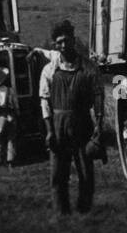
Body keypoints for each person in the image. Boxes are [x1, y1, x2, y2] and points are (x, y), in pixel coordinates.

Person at [39, 22, 103, 215]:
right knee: (58, 173)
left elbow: (99, 96)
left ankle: (84, 210)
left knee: (85, 171)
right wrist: (50, 131)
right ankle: (61, 212)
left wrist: (98, 125)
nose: (64, 45)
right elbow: (44, 101)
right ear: (55, 45)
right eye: (59, 42)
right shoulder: (49, 70)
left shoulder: (89, 68)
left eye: (67, 40)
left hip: (82, 123)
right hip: (58, 125)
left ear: (73, 41)